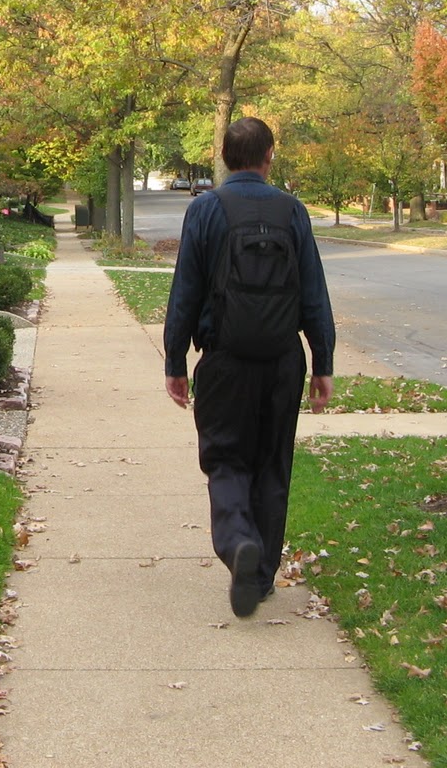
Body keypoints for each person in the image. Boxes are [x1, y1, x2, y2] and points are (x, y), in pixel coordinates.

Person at [162, 116, 335, 619]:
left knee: (226, 460)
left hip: (225, 361)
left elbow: (185, 292)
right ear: (269, 157)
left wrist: (175, 360)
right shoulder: (293, 211)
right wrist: (322, 360)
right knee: (272, 464)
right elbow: (313, 291)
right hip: (283, 361)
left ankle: (238, 542)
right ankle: (260, 577)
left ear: (224, 156)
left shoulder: (205, 210)